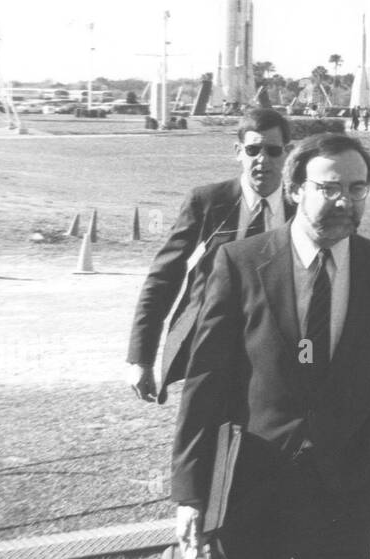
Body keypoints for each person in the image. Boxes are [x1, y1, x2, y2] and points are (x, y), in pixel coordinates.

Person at [170, 132, 370, 559]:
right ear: (294, 190)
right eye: (328, 188)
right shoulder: (239, 262)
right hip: (253, 488)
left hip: (345, 492)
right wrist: (190, 493)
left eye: (356, 189)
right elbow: (204, 378)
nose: (343, 201)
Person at [125, 107, 295, 404]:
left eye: (273, 150)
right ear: (238, 151)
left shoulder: (303, 208)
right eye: (253, 149)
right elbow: (164, 275)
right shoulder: (208, 201)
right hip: (212, 342)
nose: (262, 160)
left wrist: (312, 357)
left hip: (279, 346)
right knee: (196, 443)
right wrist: (141, 358)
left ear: (287, 153)